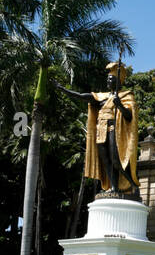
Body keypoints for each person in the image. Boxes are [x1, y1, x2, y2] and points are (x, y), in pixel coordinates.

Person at [58, 62, 139, 199]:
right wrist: (64, 90)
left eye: (111, 78)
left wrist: (119, 105)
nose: (108, 81)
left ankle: (132, 185)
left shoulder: (126, 96)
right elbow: (82, 96)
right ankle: (113, 187)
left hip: (114, 129)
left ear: (118, 80)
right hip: (101, 130)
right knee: (105, 160)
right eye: (107, 79)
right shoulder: (101, 96)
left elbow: (129, 116)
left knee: (116, 159)